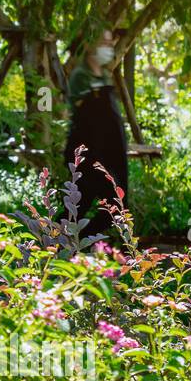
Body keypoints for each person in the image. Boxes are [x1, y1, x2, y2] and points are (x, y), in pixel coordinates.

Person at [64, 29, 128, 235]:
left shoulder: (105, 74)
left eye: (110, 43)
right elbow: (85, 116)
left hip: (105, 154)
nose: (109, 47)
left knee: (94, 207)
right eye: (104, 43)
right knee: (84, 208)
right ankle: (60, 246)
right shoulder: (81, 76)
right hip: (87, 154)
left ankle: (70, 246)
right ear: (90, 45)